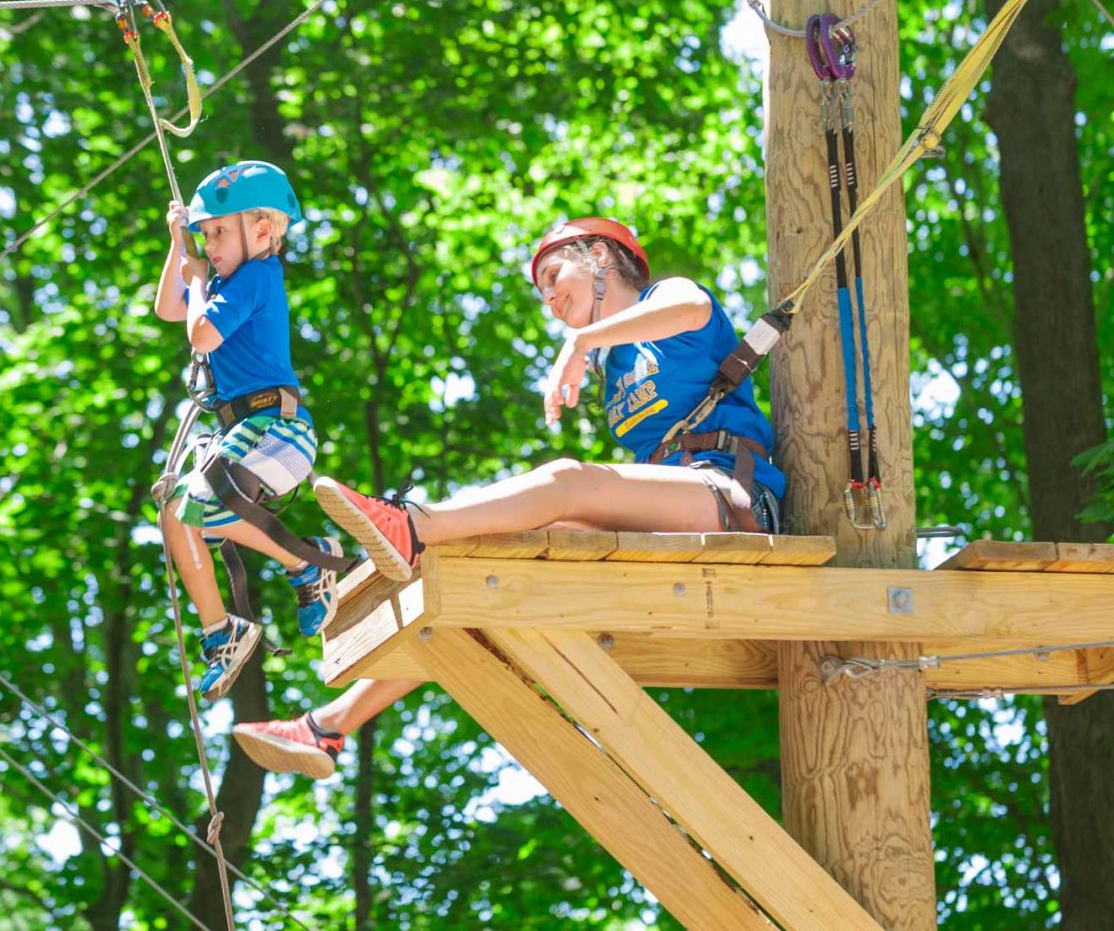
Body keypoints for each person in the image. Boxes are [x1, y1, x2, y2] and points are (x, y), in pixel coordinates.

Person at [232, 217, 787, 778]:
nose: (548, 297)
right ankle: (327, 728)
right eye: (542, 289)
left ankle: (413, 526)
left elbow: (692, 309)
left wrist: (582, 340)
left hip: (730, 494)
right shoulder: (611, 362)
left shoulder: (663, 299)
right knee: (489, 569)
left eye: (553, 274)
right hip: (674, 518)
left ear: (599, 255)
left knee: (568, 481)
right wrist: (589, 347)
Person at [153, 160, 342, 703]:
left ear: (261, 232)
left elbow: (202, 335)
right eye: (204, 233)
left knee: (197, 505)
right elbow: (169, 308)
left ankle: (306, 561)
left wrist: (196, 280)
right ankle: (222, 633)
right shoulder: (221, 281)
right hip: (249, 431)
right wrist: (178, 248)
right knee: (177, 515)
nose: (209, 243)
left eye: (218, 231)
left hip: (275, 428)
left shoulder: (257, 276)